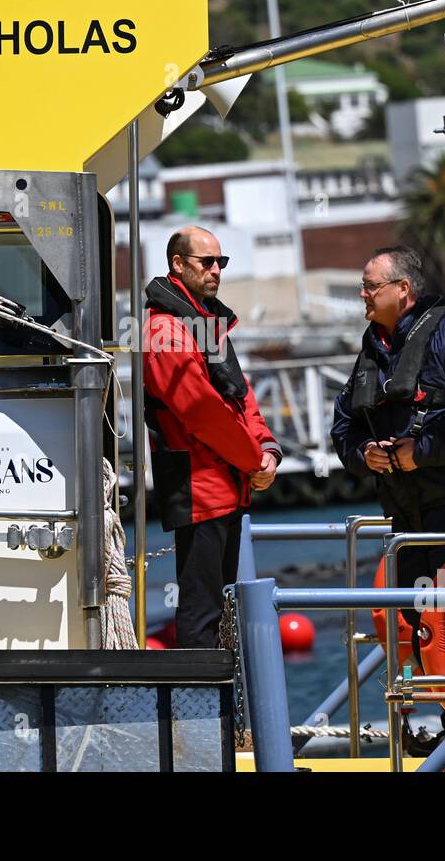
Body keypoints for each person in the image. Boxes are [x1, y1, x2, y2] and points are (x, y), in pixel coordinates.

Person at [330, 246, 445, 668]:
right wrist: (365, 454)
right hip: (406, 513)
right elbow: (344, 424)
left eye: (370, 286)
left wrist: (422, 453)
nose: (362, 295)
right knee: (421, 620)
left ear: (403, 288)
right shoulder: (372, 353)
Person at [142, 226, 281, 648]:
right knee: (201, 610)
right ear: (178, 265)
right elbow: (201, 412)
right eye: (208, 261)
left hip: (225, 485)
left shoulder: (204, 323)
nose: (217, 270)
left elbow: (241, 399)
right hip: (200, 489)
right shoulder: (164, 330)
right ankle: (200, 710)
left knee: (219, 606)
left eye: (222, 262)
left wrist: (267, 449)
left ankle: (221, 708)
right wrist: (253, 460)